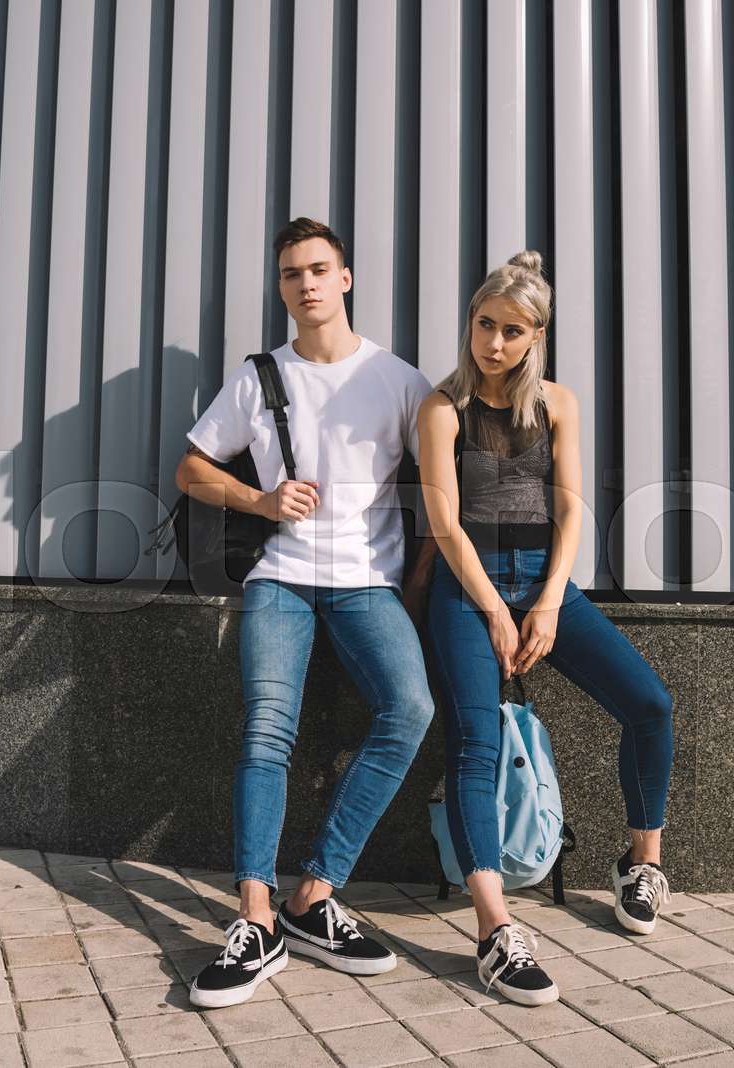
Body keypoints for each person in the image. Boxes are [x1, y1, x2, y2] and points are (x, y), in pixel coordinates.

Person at [175, 217, 435, 1009]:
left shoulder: (399, 381)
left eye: (320, 269)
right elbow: (190, 467)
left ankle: (313, 895)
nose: (307, 284)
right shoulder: (259, 377)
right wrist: (258, 496)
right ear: (281, 287)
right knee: (266, 730)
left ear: (346, 278)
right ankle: (254, 918)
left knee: (411, 709)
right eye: (292, 274)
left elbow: (443, 498)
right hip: (280, 580)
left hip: (367, 584)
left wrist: (416, 591)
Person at [415, 251, 676, 1007]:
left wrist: (551, 599)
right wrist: (494, 609)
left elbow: (570, 509)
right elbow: (443, 520)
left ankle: (642, 863)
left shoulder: (558, 403)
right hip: (469, 589)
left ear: (536, 337)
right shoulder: (441, 408)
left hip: (544, 582)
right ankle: (496, 928)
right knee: (474, 742)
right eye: (483, 324)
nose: (492, 343)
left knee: (650, 705)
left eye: (511, 330)